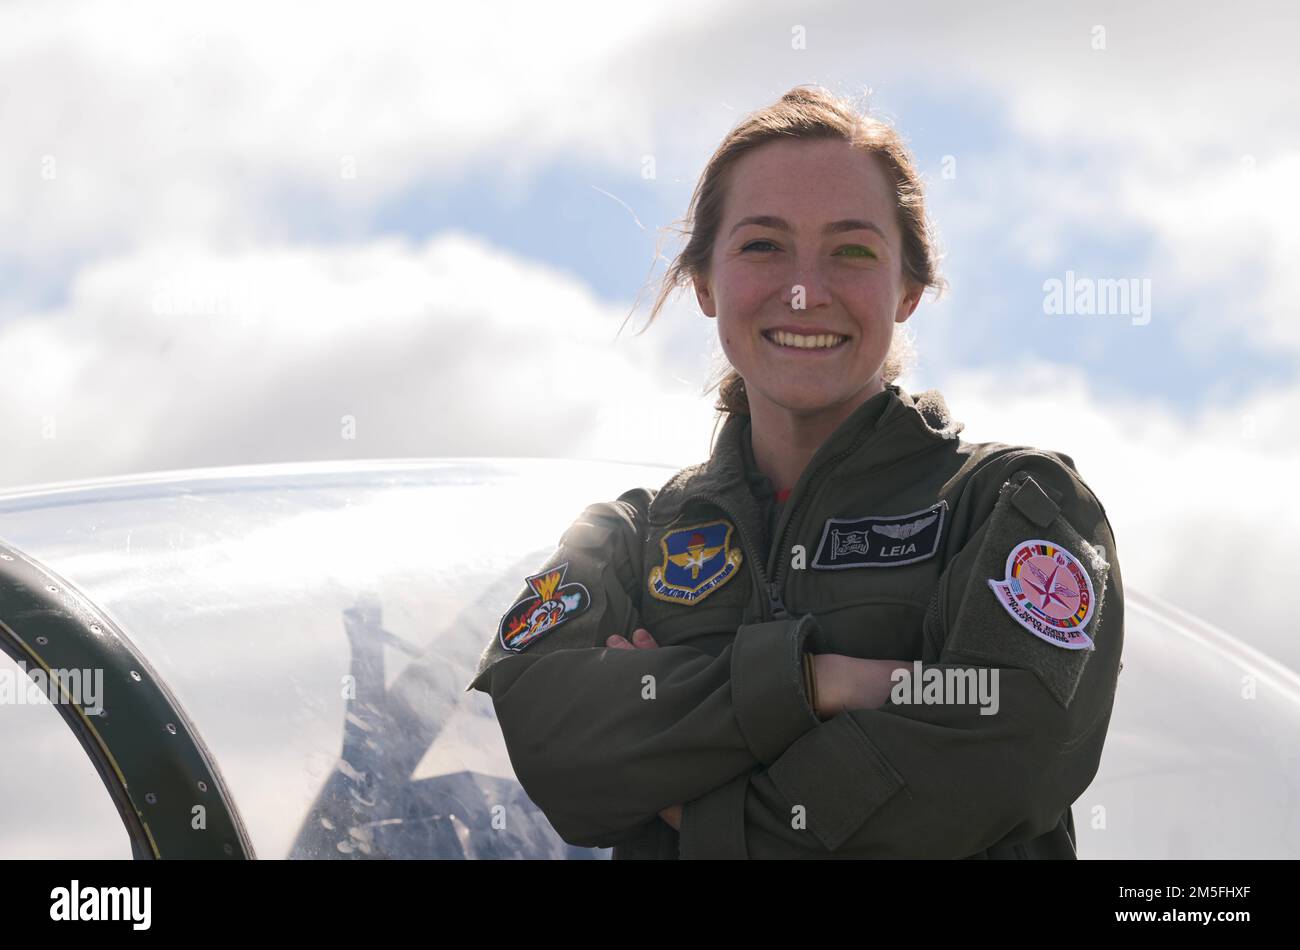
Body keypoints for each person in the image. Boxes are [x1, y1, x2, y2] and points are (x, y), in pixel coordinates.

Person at [465, 85, 1123, 859]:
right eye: (762, 246)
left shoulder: (1016, 508)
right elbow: (553, 739)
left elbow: (996, 748)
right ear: (704, 283)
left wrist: (700, 810)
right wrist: (822, 684)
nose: (805, 290)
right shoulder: (627, 539)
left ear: (908, 288)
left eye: (851, 250)